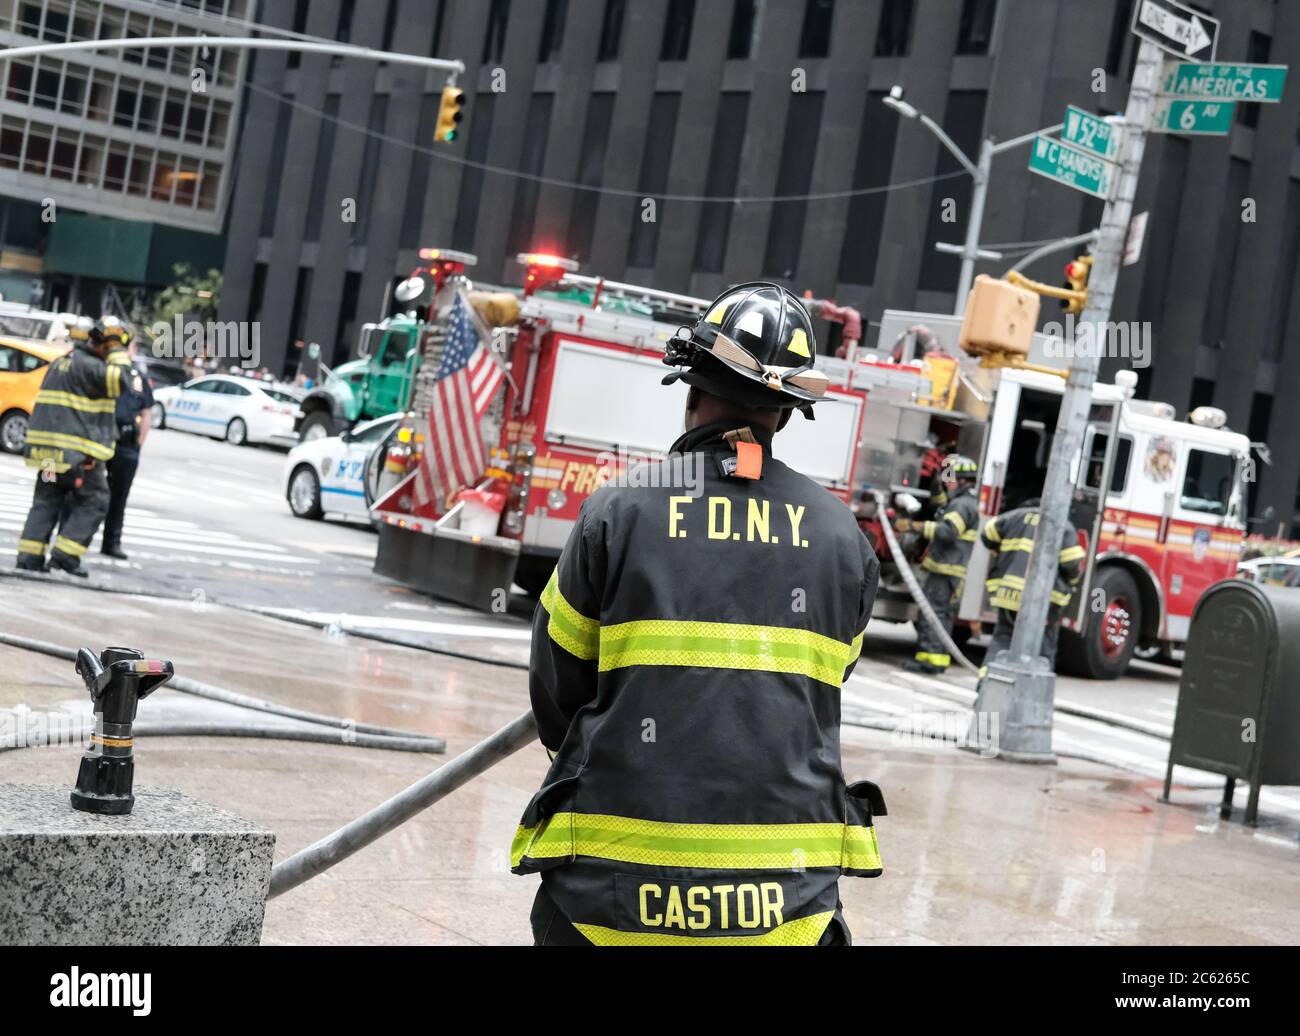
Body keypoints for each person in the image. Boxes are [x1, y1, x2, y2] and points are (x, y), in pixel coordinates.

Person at [512, 282, 884, 946]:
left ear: (690, 392)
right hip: (785, 914)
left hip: (609, 907)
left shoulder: (619, 512)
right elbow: (820, 684)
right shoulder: (842, 540)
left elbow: (557, 686)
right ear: (788, 414)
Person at [16, 320, 123, 577]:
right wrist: (118, 350)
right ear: (102, 345)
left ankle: (29, 556)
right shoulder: (91, 367)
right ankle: (66, 555)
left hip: (48, 456)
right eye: (109, 347)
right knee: (96, 500)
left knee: (46, 501)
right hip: (76, 455)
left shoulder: (60, 363)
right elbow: (122, 382)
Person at [977, 495, 1086, 681]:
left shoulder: (1014, 516)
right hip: (1043, 602)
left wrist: (1001, 551)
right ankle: (1032, 693)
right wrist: (1073, 583)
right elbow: (1072, 565)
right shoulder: (1062, 526)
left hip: (1008, 595)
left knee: (1002, 639)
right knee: (1043, 647)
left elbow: (987, 534)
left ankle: (986, 688)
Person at [897, 455, 979, 675]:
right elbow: (941, 506)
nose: (948, 481)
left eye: (950, 477)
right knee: (939, 615)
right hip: (946, 569)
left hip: (945, 570)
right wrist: (935, 485)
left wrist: (914, 526)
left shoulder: (962, 505)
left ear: (962, 479)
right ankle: (937, 659)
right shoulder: (962, 501)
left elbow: (947, 532)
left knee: (932, 615)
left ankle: (930, 661)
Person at [100, 335, 154, 559]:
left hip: (126, 443)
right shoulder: (102, 370)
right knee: (88, 493)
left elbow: (146, 412)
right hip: (100, 438)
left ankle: (111, 542)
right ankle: (71, 542)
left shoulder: (137, 377)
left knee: (119, 496)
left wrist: (137, 446)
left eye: (129, 347)